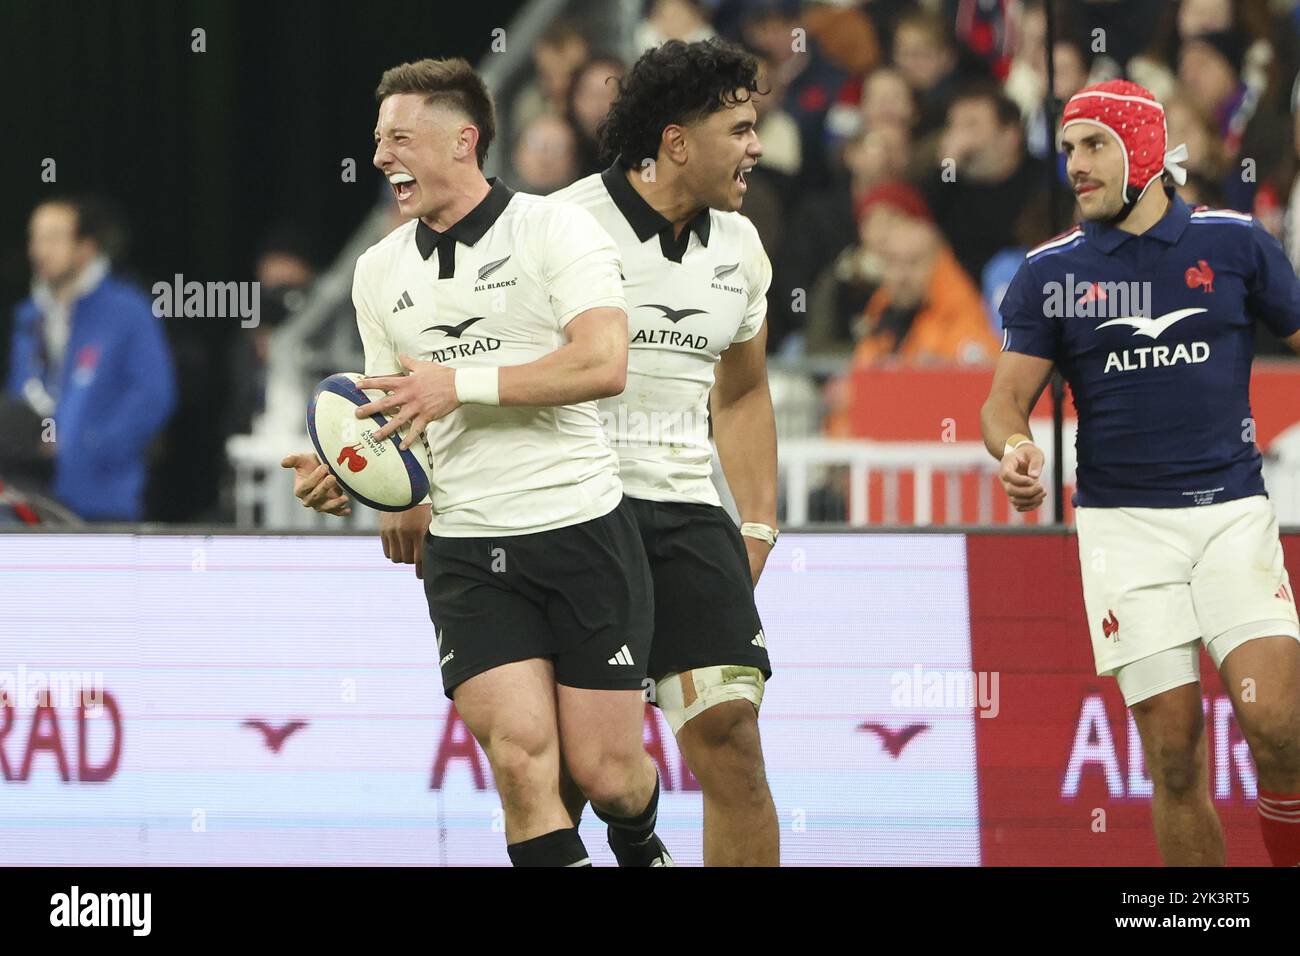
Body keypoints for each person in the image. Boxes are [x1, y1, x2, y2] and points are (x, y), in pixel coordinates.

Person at [282, 57, 670, 868]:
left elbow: (603, 363)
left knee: (607, 774)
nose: (382, 157)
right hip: (469, 551)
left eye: (399, 138)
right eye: (377, 140)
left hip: (582, 528)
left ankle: (639, 839)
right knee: (523, 763)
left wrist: (458, 385)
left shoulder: (555, 229)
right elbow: (395, 407)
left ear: (464, 141)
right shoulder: (377, 271)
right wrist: (352, 469)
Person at [983, 80, 1300, 866]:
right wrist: (1015, 451)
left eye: (1094, 145)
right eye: (1066, 150)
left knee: (1280, 729)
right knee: (1173, 755)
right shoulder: (1052, 271)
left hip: (1232, 516)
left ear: (1146, 151)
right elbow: (1001, 406)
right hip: (1124, 530)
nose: (1076, 167)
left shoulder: (1236, 243)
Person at [550, 38, 780, 866]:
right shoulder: (562, 227)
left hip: (688, 516)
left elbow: (743, 392)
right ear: (677, 140)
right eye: (741, 127)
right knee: (580, 773)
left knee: (734, 742)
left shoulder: (743, 250)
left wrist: (756, 525)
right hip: (576, 513)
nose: (757, 146)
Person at [6, 197, 176, 521]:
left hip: (103, 501)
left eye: (53, 238)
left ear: (85, 247)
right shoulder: (29, 316)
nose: (38, 250)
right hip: (29, 500)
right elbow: (20, 395)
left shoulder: (127, 311)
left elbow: (154, 395)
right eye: (34, 237)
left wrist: (93, 445)